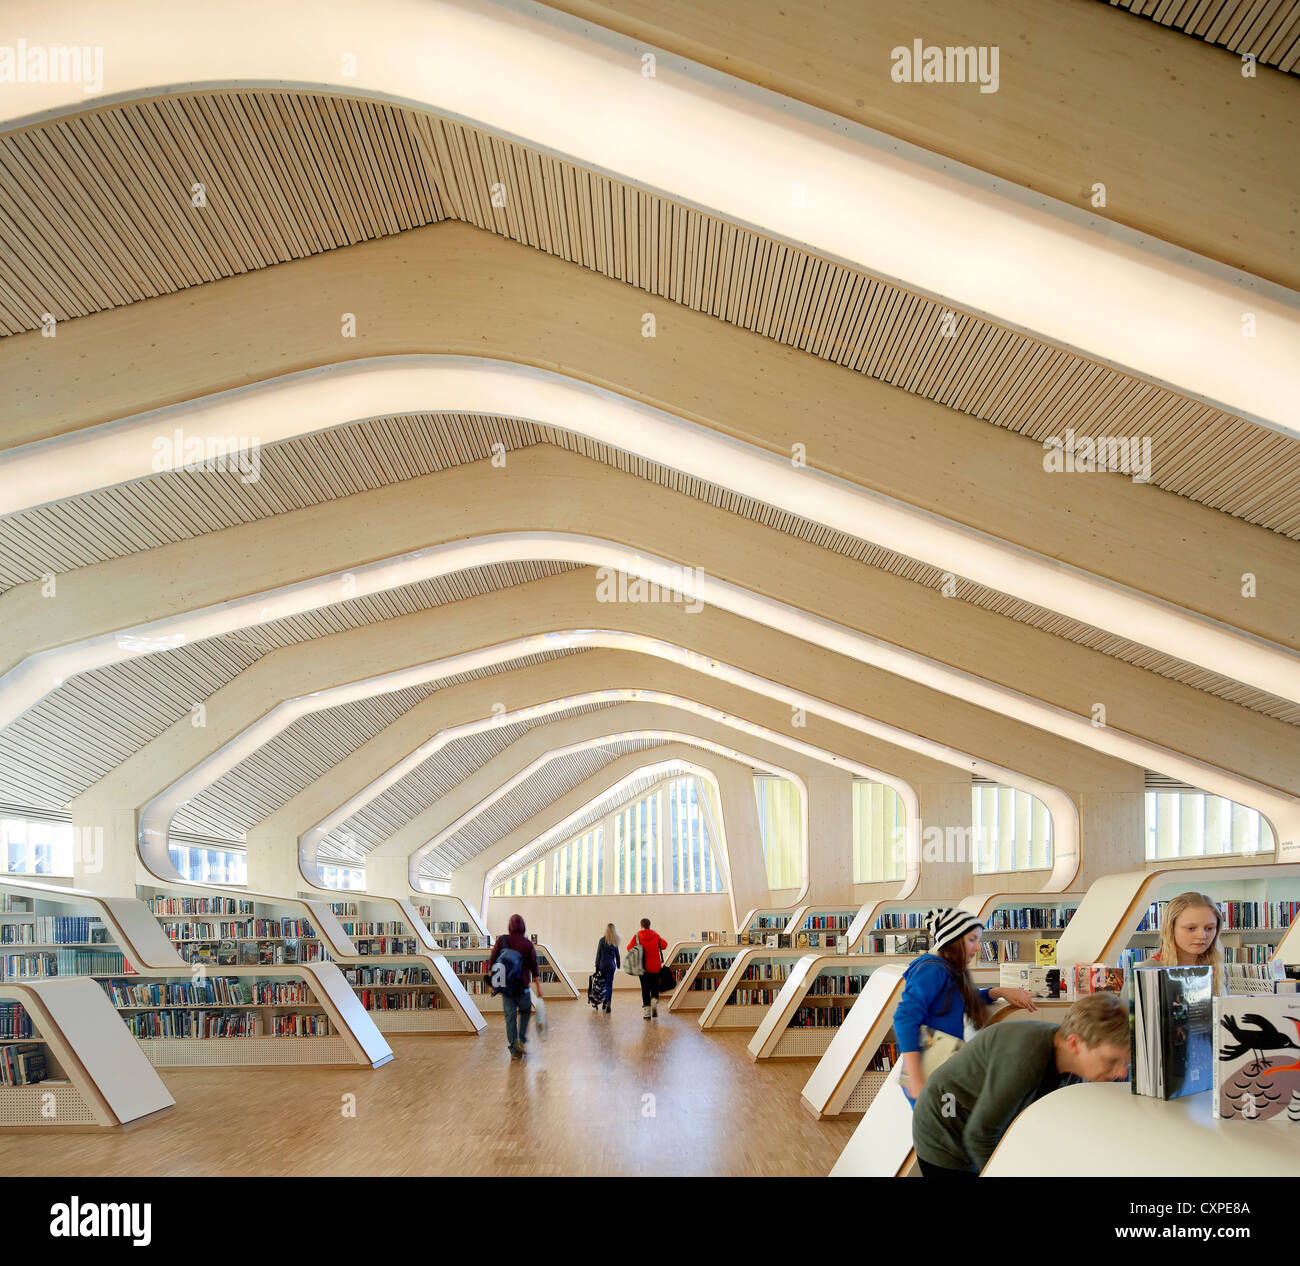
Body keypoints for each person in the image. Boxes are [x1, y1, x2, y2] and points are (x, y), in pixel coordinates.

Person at [911, 991, 1131, 1176]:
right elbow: (980, 1135)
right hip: (944, 1128)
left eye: (1125, 1062)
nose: (1121, 1072)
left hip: (979, 1124)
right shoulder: (1026, 1057)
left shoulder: (1074, 1063)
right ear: (1075, 1044)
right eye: (1111, 1061)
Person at [894, 908, 1038, 1105]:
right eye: (972, 940)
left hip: (939, 1069)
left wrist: (999, 991)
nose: (978, 948)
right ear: (952, 940)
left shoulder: (947, 970)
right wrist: (916, 1077)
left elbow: (958, 999)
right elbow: (904, 1019)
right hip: (930, 1073)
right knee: (944, 1131)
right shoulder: (932, 970)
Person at [486, 913, 544, 1059]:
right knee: (524, 1012)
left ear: (510, 926)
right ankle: (522, 1039)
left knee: (510, 1016)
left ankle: (513, 1049)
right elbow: (534, 966)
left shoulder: (502, 940)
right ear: (523, 926)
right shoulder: (527, 943)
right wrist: (538, 987)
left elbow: (492, 961)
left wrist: (493, 982)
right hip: (522, 986)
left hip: (506, 986)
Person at [1147, 891, 1225, 993]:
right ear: (1171, 928)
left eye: (1209, 928)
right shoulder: (1147, 971)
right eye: (1191, 928)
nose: (1202, 936)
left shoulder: (1218, 969)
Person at [628, 917, 668, 1020]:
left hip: (643, 967)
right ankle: (654, 1003)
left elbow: (629, 948)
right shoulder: (656, 936)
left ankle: (647, 1012)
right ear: (650, 925)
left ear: (641, 926)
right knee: (654, 987)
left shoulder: (637, 936)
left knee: (645, 988)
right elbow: (664, 945)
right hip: (655, 966)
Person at [594, 923, 620, 1013]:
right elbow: (617, 955)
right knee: (609, 985)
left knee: (604, 984)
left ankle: (604, 1002)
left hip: (603, 966)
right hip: (611, 966)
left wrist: (596, 967)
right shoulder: (614, 941)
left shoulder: (602, 940)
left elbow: (598, 955)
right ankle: (608, 1003)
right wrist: (619, 964)